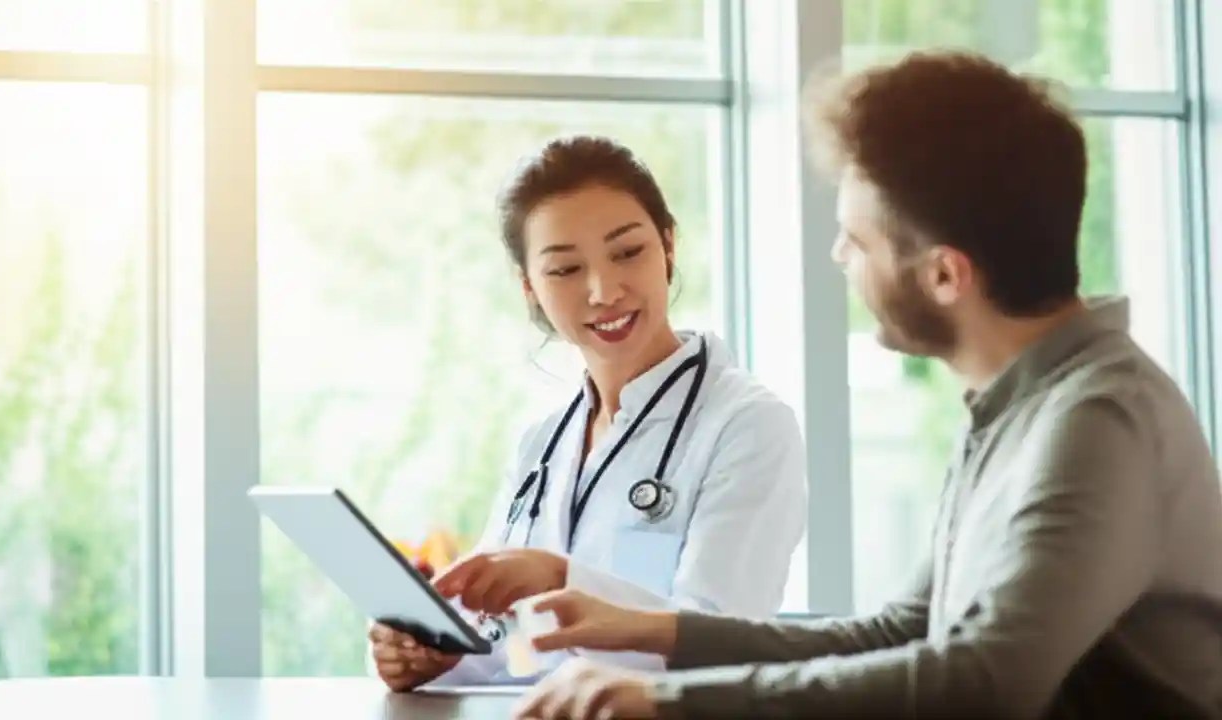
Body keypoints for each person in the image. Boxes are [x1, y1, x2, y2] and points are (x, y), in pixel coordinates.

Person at [511, 52, 1222, 719]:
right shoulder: (1021, 407)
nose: (838, 256)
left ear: (945, 275)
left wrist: (670, 703)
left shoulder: (1097, 419)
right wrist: (654, 631)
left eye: (858, 240)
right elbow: (904, 630)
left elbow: (985, 681)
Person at [367, 135, 808, 688]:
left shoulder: (747, 425)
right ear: (530, 288)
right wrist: (425, 652)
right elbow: (510, 652)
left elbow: (720, 643)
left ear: (668, 246)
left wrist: (558, 578)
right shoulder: (541, 444)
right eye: (565, 270)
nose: (604, 291)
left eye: (628, 252)